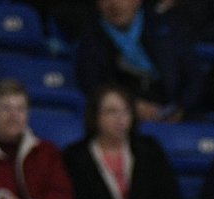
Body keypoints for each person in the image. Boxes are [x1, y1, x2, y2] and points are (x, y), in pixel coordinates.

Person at [63, 81, 185, 199]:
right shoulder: (77, 155)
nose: (121, 119)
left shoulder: (149, 149)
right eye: (112, 112)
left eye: (126, 111)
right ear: (95, 115)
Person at [72, 0, 201, 124]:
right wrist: (130, 106)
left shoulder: (169, 28)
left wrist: (180, 108)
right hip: (121, 113)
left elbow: (194, 77)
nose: (114, 4)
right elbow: (92, 84)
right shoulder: (90, 40)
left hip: (172, 111)